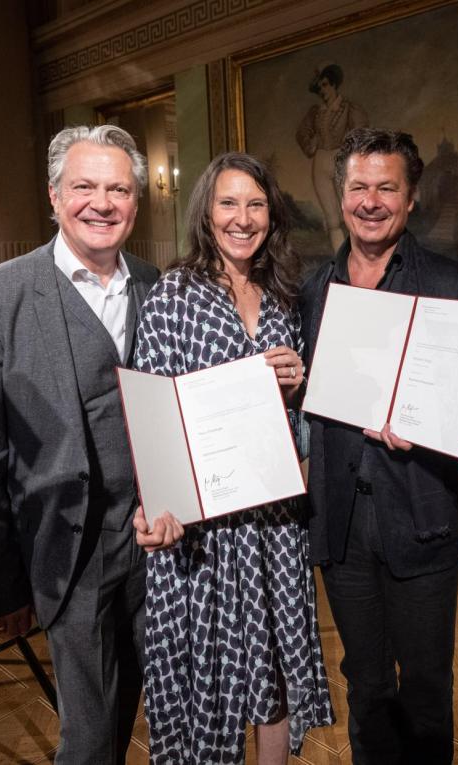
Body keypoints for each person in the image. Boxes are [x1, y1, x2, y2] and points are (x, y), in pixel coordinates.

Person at [0, 124, 161, 764]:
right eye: (84, 186)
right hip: (67, 549)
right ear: (53, 196)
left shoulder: (159, 286)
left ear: (135, 202)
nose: (102, 202)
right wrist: (1, 587)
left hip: (159, 542)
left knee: (145, 706)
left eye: (118, 188)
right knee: (90, 738)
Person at [132, 153, 334, 764]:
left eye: (255, 204)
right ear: (206, 213)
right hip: (202, 527)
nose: (242, 218)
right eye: (228, 203)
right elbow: (154, 412)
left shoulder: (281, 297)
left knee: (271, 665)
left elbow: (293, 421)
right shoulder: (174, 295)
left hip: (273, 519)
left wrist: (298, 387)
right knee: (208, 680)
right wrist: (160, 508)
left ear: (271, 215)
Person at [299, 127, 458, 764]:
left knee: (428, 687)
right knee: (367, 681)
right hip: (341, 522)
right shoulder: (311, 291)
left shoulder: (457, 287)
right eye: (359, 186)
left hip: (422, 517)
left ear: (411, 200)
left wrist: (437, 426)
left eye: (388, 187)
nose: (371, 200)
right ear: (342, 194)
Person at [296, 63, 369, 252]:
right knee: (332, 218)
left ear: (335, 85)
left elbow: (361, 133)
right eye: (320, 87)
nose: (322, 90)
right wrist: (312, 143)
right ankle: (340, 261)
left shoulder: (348, 109)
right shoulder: (315, 112)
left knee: (351, 211)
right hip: (320, 162)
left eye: (326, 85)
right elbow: (302, 134)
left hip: (342, 161)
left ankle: (361, 258)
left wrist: (347, 150)